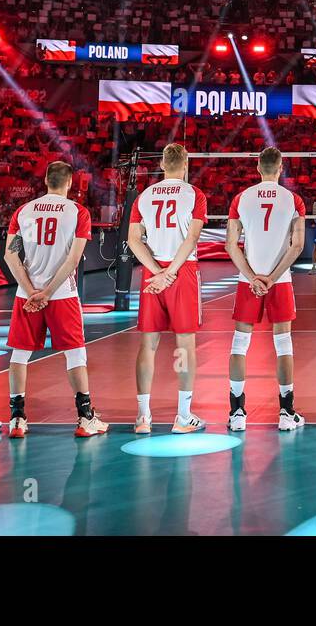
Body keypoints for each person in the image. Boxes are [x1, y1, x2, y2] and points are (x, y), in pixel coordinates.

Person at [4, 161, 107, 437]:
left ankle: (16, 419)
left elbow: (11, 255)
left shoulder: (23, 211)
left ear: (46, 179)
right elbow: (73, 259)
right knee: (75, 353)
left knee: (20, 354)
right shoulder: (77, 212)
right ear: (70, 183)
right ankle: (86, 418)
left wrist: (30, 290)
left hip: (27, 296)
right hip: (61, 294)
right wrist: (48, 293)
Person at [225, 147, 308, 431]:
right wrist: (272, 277)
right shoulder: (294, 200)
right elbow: (297, 245)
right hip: (280, 280)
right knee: (283, 343)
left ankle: (236, 414)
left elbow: (230, 245)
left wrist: (252, 277)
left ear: (258, 168)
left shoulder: (241, 198)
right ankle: (286, 413)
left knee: (240, 343)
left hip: (248, 281)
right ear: (280, 167)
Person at [128, 143, 207, 434]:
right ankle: (183, 417)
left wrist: (157, 271)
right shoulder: (194, 194)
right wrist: (171, 272)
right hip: (181, 272)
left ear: (162, 164)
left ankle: (142, 418)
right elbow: (192, 238)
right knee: (184, 346)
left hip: (153, 271)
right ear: (185, 165)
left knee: (147, 345)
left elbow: (134, 240)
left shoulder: (144, 196)